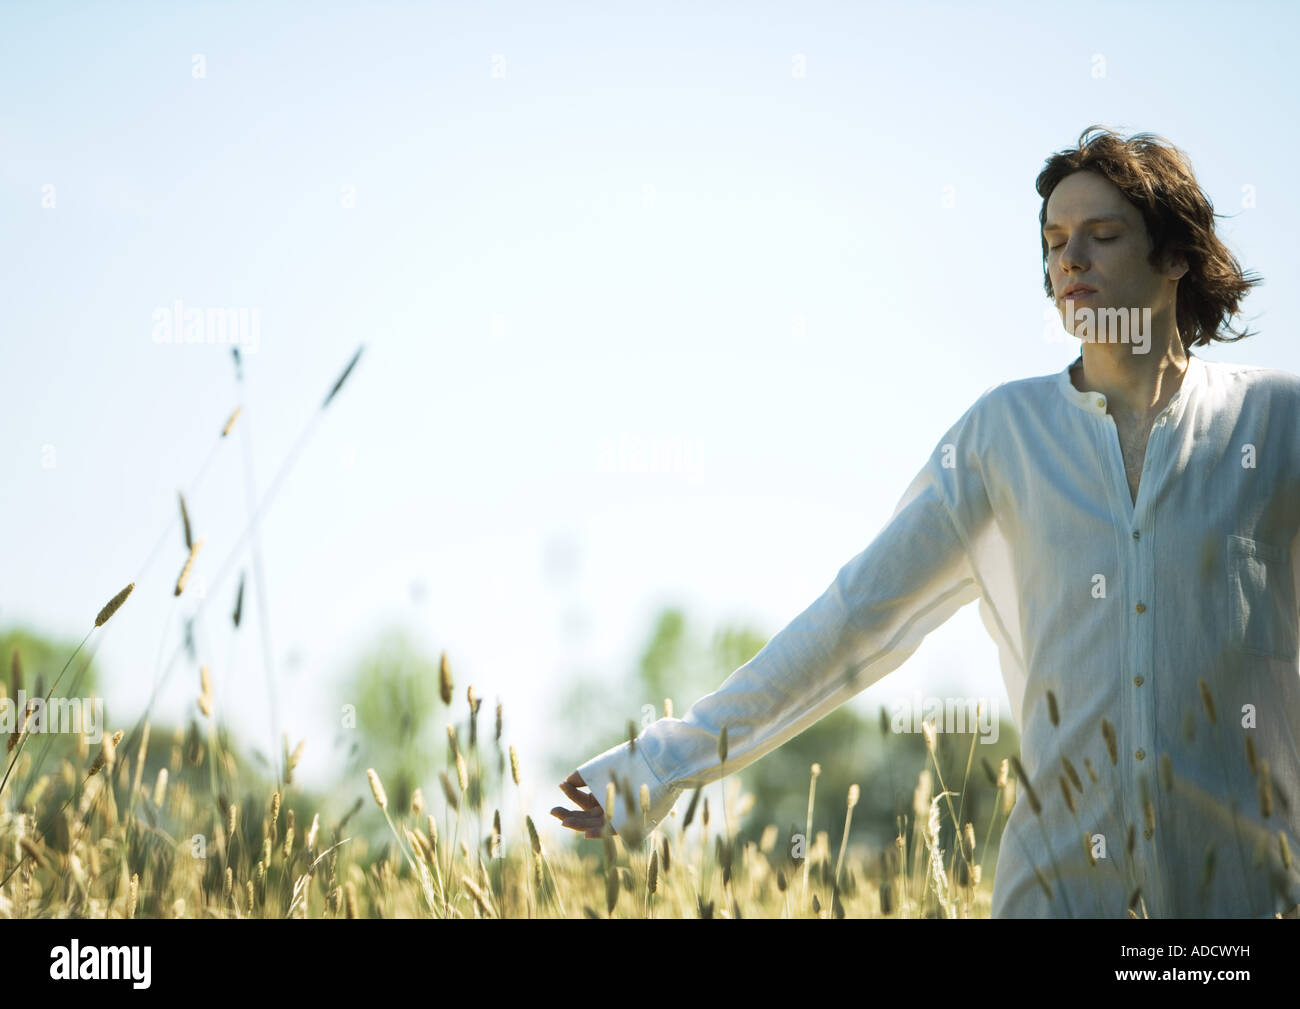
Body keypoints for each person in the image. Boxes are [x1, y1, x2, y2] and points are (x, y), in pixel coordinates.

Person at [551, 124, 1300, 917]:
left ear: (1176, 256)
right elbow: (856, 618)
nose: (1070, 259)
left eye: (1103, 234)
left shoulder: (1276, 425)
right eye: (1054, 241)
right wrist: (665, 762)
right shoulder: (1002, 439)